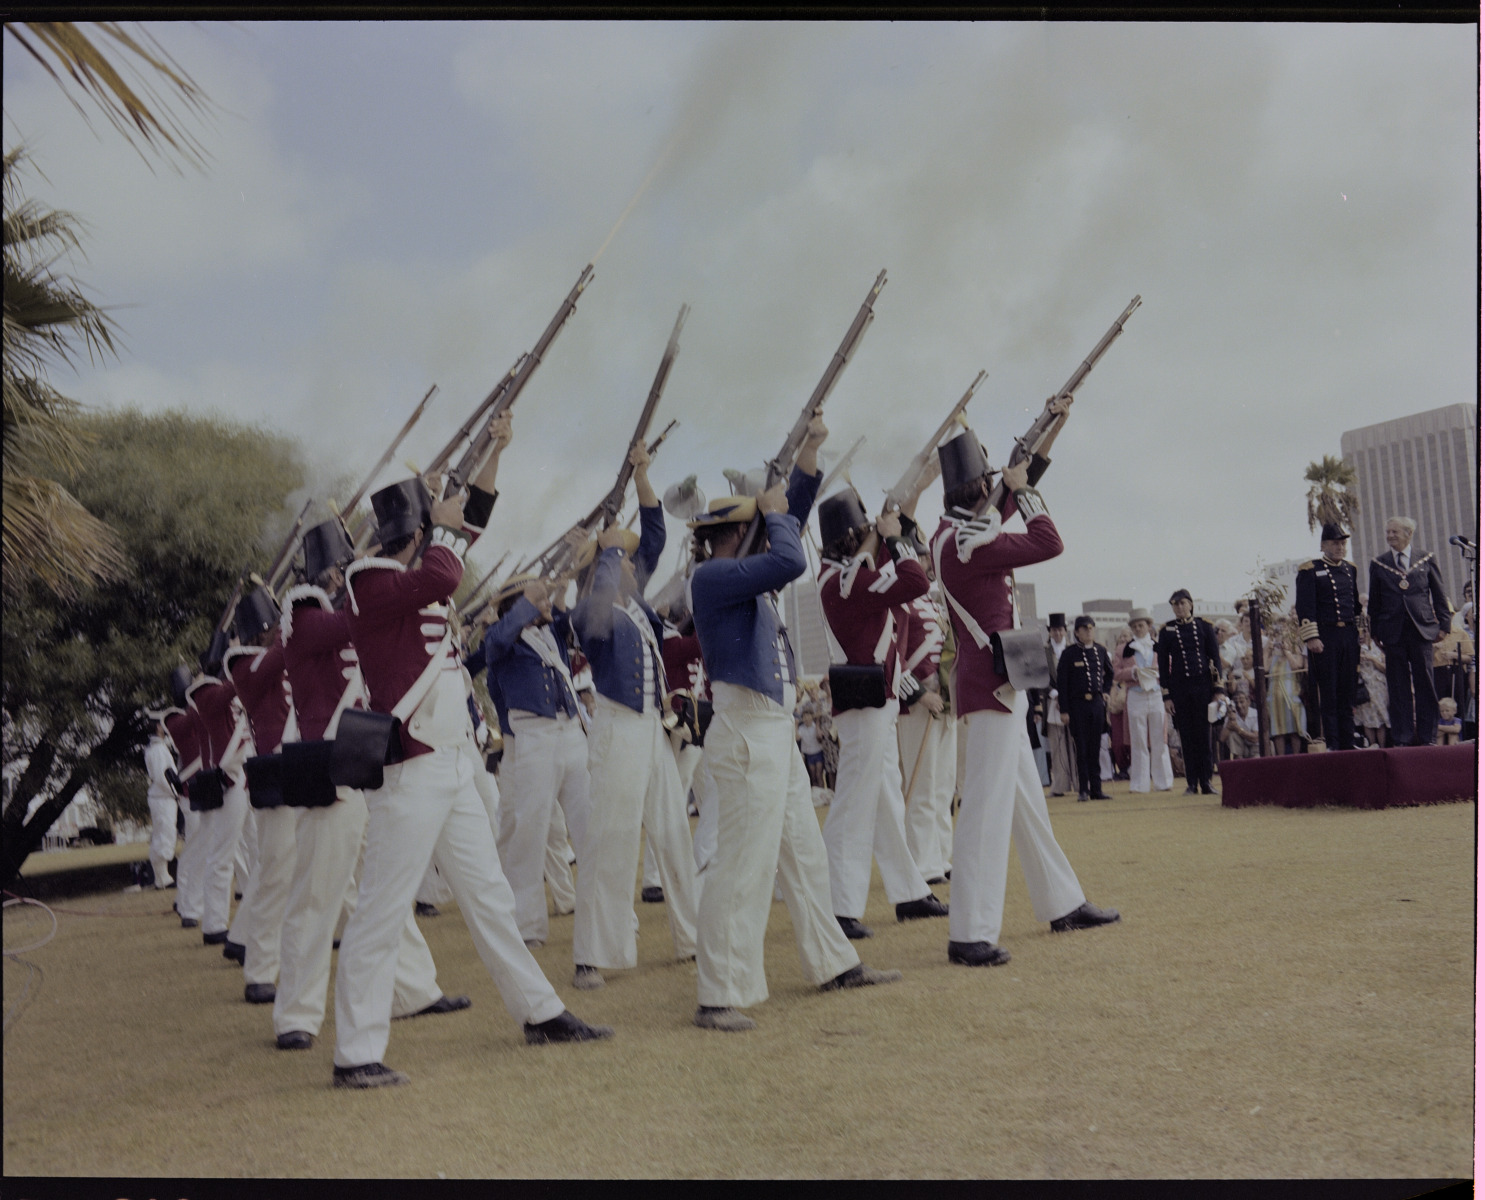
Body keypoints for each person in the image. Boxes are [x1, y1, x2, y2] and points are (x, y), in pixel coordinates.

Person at [332, 414, 610, 1090]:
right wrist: (445, 520)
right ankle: (355, 1051)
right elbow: (442, 575)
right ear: (418, 532)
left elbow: (469, 524)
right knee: (380, 909)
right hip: (413, 765)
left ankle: (538, 1011)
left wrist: (494, 453)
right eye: (433, 525)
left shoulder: (422, 557)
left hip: (454, 761)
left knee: (489, 898)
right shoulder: (367, 580)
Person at [686, 412, 900, 1032]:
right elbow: (790, 555)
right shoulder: (715, 576)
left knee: (805, 858)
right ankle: (718, 990)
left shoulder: (736, 571)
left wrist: (807, 451)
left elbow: (792, 521)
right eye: (754, 526)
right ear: (734, 536)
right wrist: (775, 514)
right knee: (742, 865)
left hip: (771, 731)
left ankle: (833, 961)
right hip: (748, 730)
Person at [929, 414, 1118, 969]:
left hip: (996, 681)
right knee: (986, 808)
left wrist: (1049, 430)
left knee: (1026, 804)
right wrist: (1022, 488)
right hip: (992, 683)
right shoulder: (968, 536)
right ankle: (969, 932)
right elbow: (1047, 539)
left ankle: (1062, 901)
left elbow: (1014, 486)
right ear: (975, 487)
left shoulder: (961, 529)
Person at [272, 520, 451, 1054]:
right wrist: (371, 578)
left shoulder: (347, 603)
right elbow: (356, 622)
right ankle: (295, 1016)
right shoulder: (303, 616)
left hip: (364, 764)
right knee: (315, 898)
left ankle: (414, 988)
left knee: (382, 889)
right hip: (329, 768)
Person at [569, 439, 700, 991]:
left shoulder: (636, 605)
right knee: (611, 840)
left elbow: (657, 530)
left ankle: (693, 936)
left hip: (649, 729)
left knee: (673, 834)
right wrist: (605, 553)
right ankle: (592, 955)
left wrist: (642, 475)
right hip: (617, 728)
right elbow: (598, 617)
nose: (630, 563)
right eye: (619, 559)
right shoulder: (589, 610)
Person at [815, 484, 945, 939]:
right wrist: (893, 537)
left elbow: (892, 569)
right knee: (854, 803)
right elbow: (915, 580)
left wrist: (903, 508)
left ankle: (910, 893)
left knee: (886, 799)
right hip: (865, 702)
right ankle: (837, 906)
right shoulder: (844, 579)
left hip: (878, 699)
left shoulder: (848, 574)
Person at [474, 567, 591, 950]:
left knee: (590, 829)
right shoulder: (501, 636)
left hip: (570, 733)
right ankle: (527, 926)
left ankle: (607, 915)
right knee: (529, 834)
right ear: (516, 605)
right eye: (534, 599)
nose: (543, 604)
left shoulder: (549, 631)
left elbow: (573, 618)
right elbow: (496, 643)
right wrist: (527, 605)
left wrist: (573, 569)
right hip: (534, 736)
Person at [220, 585, 295, 1004]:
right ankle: (260, 971)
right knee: (274, 874)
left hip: (300, 767)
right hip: (274, 774)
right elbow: (281, 655)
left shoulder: (273, 657)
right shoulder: (243, 663)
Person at [1367, 515, 1452, 746]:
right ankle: (1402, 738)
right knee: (1397, 686)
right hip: (1392, 632)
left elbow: (1438, 593)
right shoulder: (1379, 563)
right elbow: (1374, 601)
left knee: (1425, 683)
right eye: (1388, 532)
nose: (1389, 536)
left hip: (1421, 629)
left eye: (1394, 532)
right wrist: (1375, 631)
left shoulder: (1425, 558)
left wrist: (1444, 625)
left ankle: (1428, 737)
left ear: (1409, 533)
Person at [1295, 523, 1361, 751]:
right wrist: (1311, 637)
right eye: (1335, 543)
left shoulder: (1350, 569)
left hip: (1348, 636)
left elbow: (1355, 606)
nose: (1340, 547)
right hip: (1325, 637)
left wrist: (1359, 634)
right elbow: (1305, 607)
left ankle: (1348, 742)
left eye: (1343, 543)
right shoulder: (1310, 569)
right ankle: (1333, 742)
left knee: (1348, 690)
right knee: (1329, 692)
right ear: (1323, 545)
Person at [1157, 589, 1221, 794]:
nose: (1179, 608)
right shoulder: (1166, 630)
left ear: (1191, 604)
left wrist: (1218, 689)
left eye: (1182, 603)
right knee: (1186, 736)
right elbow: (1162, 665)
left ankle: (1207, 781)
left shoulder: (1204, 626)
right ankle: (1191, 782)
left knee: (1204, 735)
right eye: (1175, 605)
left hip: (1202, 686)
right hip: (1180, 689)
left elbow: (1215, 659)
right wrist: (1167, 695)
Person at [1057, 615, 1113, 801]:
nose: (1089, 631)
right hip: (1077, 705)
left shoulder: (1101, 650)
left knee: (1095, 747)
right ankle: (1083, 789)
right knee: (1081, 748)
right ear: (1077, 632)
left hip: (1096, 704)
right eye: (1084, 628)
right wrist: (1064, 710)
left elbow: (1110, 673)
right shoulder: (1069, 653)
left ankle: (1096, 789)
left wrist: (1105, 691)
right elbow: (1062, 684)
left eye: (1091, 628)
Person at [1116, 610, 1172, 793]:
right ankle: (1140, 783)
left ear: (1149, 626)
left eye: (1141, 625)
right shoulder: (1123, 649)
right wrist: (1133, 672)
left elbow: (1169, 668)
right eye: (1134, 626)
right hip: (1136, 695)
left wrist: (1158, 671)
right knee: (1138, 740)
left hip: (1155, 694)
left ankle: (1163, 781)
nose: (1138, 629)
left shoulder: (1159, 646)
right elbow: (1115, 672)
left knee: (1159, 739)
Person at [1041, 614, 1077, 796]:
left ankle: (1079, 784)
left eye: (1060, 629)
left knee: (1076, 743)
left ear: (1065, 631)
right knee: (1057, 745)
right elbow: (1039, 676)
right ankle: (1060, 786)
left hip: (1073, 700)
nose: (1057, 633)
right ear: (1050, 631)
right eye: (1054, 630)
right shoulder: (1044, 651)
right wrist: (1052, 693)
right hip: (1052, 700)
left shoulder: (1072, 649)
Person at [142, 712, 179, 889]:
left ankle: (160, 878)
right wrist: (176, 791)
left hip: (163, 797)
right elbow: (162, 776)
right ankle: (162, 877)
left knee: (162, 833)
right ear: (158, 726)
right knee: (165, 833)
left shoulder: (159, 748)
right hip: (163, 797)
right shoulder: (157, 750)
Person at [1354, 618, 1390, 747]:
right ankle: (1372, 746)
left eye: (1364, 632)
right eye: (1359, 633)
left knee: (1380, 719)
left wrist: (1372, 659)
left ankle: (1382, 746)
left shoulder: (1378, 648)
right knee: (1367, 719)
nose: (1361, 636)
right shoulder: (1354, 649)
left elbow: (1386, 669)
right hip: (1363, 689)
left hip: (1379, 688)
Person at [1223, 689, 1261, 758]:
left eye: (1241, 702)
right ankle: (1239, 760)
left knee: (1256, 759)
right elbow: (1222, 739)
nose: (1239, 706)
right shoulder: (1232, 715)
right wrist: (1229, 724)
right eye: (1236, 702)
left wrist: (1238, 729)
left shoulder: (1255, 714)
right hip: (1242, 749)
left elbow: (1256, 738)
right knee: (1232, 734)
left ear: (1248, 702)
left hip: (1256, 748)